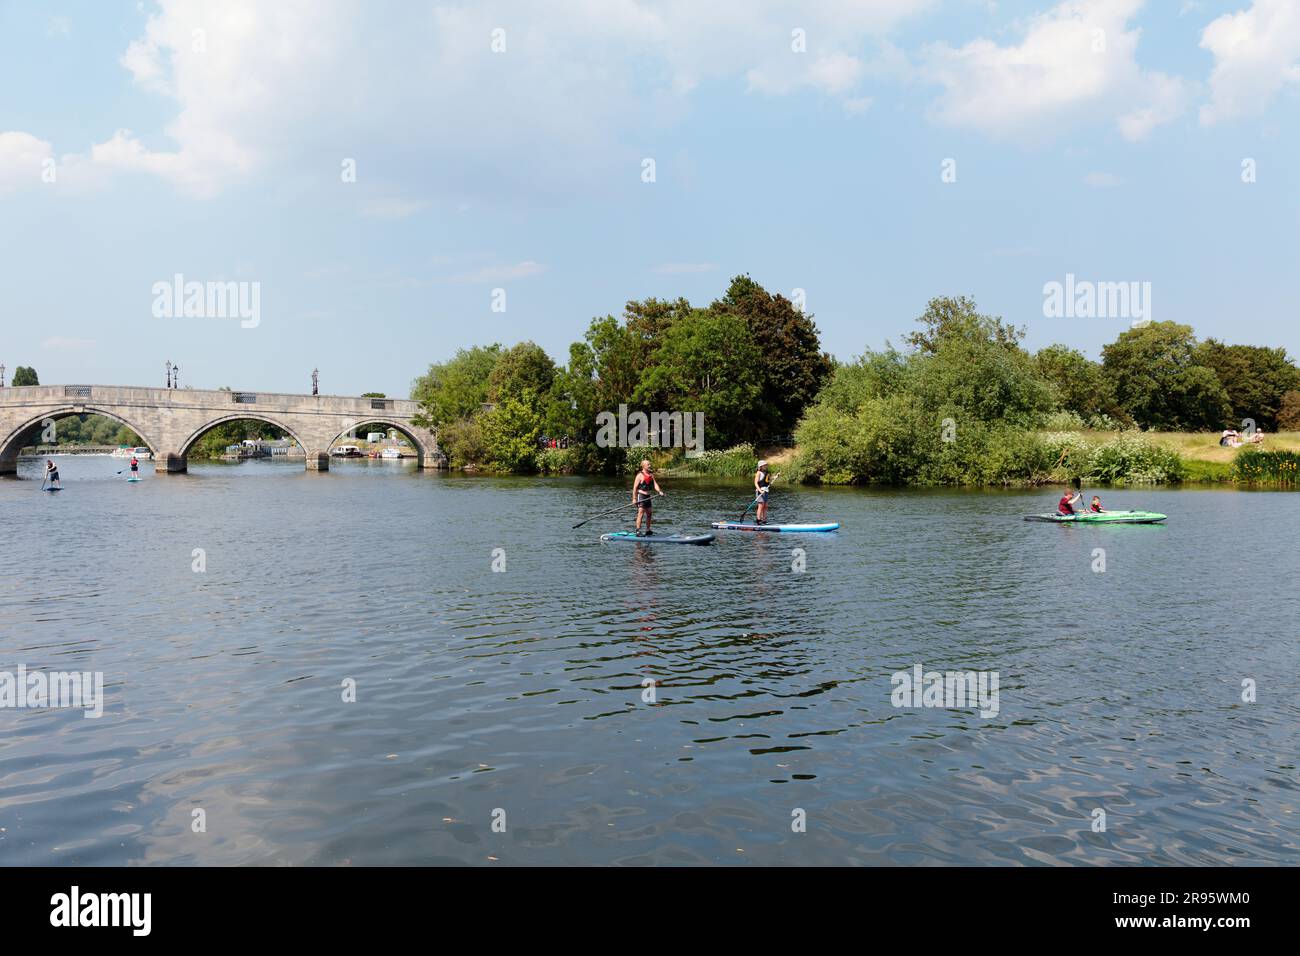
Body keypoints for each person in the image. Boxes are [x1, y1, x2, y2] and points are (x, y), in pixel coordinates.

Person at [632, 459, 663, 536]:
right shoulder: (639, 475)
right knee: (641, 513)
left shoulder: (651, 475)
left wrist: (659, 491)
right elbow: (635, 488)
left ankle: (648, 530)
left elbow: (655, 485)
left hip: (648, 497)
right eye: (648, 465)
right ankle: (638, 530)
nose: (650, 466)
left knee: (649, 513)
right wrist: (634, 499)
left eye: (650, 464)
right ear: (643, 466)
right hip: (641, 496)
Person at [754, 459, 775, 525]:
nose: (766, 466)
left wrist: (776, 476)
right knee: (760, 506)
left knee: (765, 506)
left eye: (766, 465)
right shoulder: (758, 473)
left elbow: (768, 480)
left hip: (766, 491)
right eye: (764, 465)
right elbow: (756, 483)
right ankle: (758, 519)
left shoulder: (766, 473)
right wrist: (760, 490)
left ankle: (764, 520)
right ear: (760, 467)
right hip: (760, 491)